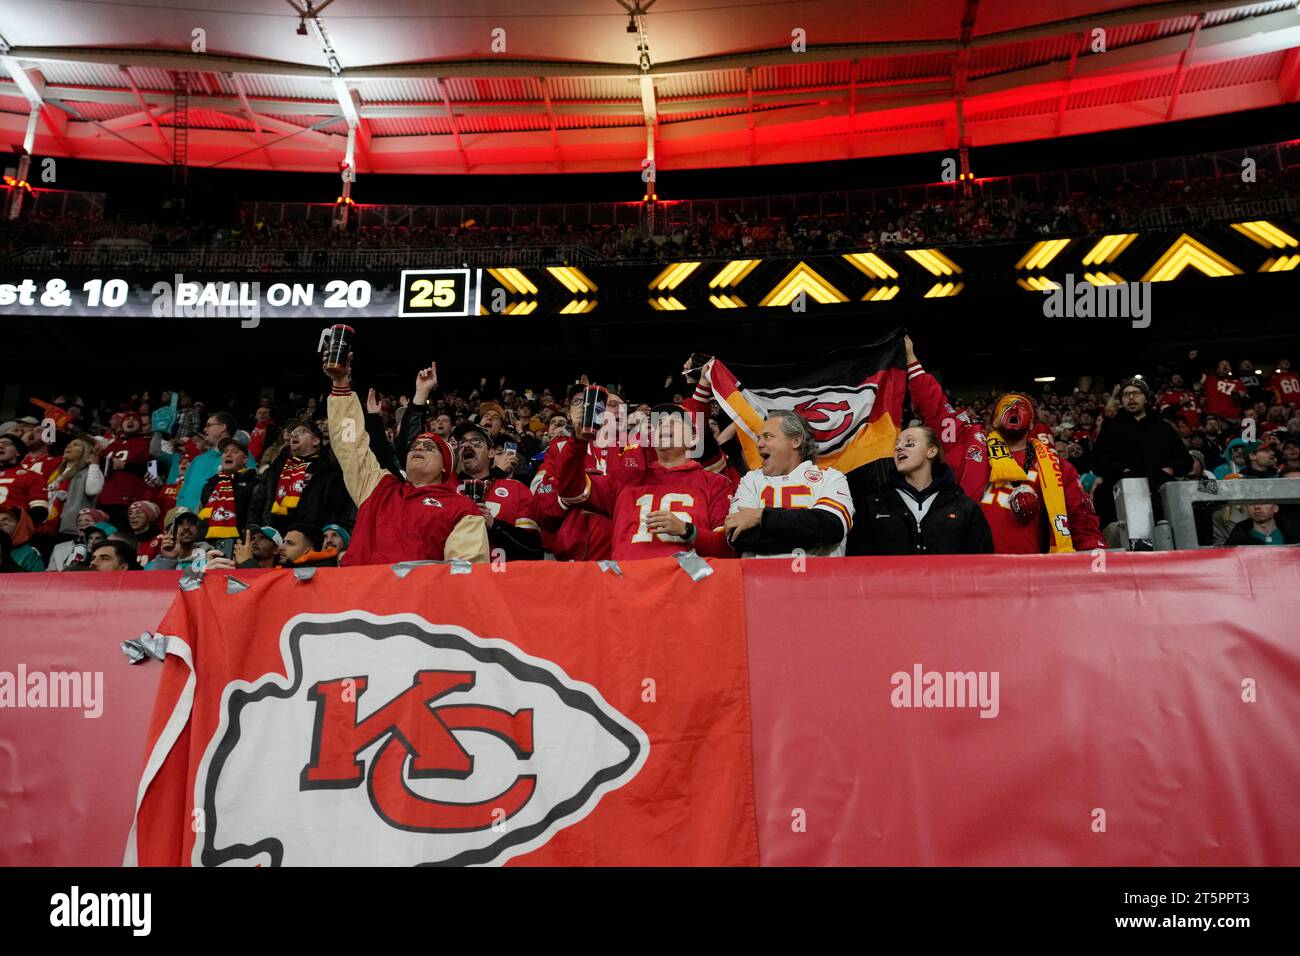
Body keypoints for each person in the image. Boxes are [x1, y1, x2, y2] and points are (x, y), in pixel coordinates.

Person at [905, 336, 1103, 554]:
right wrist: (912, 360)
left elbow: (1082, 522)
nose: (1014, 409)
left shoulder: (1059, 467)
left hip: (1033, 573)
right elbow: (936, 407)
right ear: (994, 420)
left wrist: (1096, 564)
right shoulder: (969, 443)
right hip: (972, 567)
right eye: (1006, 406)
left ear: (1032, 425)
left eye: (1021, 406)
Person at [325, 356, 488, 565]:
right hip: (357, 593)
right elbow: (349, 445)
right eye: (415, 447)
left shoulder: (462, 508)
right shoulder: (377, 487)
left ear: (445, 467)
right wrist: (340, 384)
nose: (419, 448)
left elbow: (464, 574)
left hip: (414, 596)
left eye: (429, 448)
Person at [554, 403, 733, 560]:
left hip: (683, 587)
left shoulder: (716, 483)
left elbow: (727, 548)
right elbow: (571, 490)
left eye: (675, 421)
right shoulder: (625, 479)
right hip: (628, 587)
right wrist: (577, 442)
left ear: (694, 437)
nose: (663, 426)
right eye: (659, 423)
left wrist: (687, 531)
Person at [724, 411, 854, 558]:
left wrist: (761, 516)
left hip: (818, 579)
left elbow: (831, 527)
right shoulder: (751, 480)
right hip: (762, 580)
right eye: (759, 438)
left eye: (768, 436)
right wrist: (810, 536)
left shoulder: (831, 477)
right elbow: (739, 536)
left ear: (796, 441)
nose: (759, 444)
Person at [847, 426, 994, 556]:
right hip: (891, 588)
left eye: (909, 443)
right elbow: (857, 563)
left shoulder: (964, 506)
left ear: (931, 451)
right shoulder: (873, 504)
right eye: (896, 444)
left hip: (948, 588)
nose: (898, 448)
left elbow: (982, 565)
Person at [1090, 377, 1192, 541]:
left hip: (1159, 500)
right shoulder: (1111, 428)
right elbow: (1096, 462)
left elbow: (1186, 460)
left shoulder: (1163, 428)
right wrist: (1121, 470)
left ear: (1145, 397)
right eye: (1126, 395)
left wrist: (1170, 469)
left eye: (1135, 393)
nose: (1130, 398)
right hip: (1119, 502)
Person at [450, 421, 543, 561]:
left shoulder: (516, 489)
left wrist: (494, 525)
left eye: (476, 441)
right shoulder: (446, 488)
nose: (467, 445)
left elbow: (534, 549)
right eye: (462, 443)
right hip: (452, 578)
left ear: (491, 453)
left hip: (501, 578)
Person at [248, 419, 354, 536]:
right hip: (269, 537)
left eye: (302, 431)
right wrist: (253, 530)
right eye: (293, 432)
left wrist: (318, 537)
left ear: (315, 441)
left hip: (306, 540)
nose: (295, 434)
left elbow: (335, 511)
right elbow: (257, 503)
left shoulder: (328, 474)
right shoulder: (276, 469)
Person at [198, 435, 258, 542]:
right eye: (225, 452)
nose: (228, 455)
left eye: (234, 452)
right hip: (205, 543)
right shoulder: (210, 485)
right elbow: (200, 516)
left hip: (236, 544)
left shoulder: (254, 484)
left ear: (245, 459)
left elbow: (253, 519)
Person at [176, 411, 238, 511]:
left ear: (223, 427)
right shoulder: (198, 460)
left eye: (209, 425)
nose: (205, 429)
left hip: (218, 522)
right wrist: (178, 513)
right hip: (186, 520)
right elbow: (183, 492)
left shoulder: (240, 456)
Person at [0, 434, 50, 525]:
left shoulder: (31, 476)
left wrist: (14, 519)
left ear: (18, 452)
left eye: (6, 443)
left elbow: (40, 512)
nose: (0, 445)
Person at [1225, 503, 1300, 546]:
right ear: (1247, 509)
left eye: (1264, 502)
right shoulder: (1237, 538)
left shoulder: (1293, 533)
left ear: (1275, 508)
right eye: (1252, 503)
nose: (1257, 507)